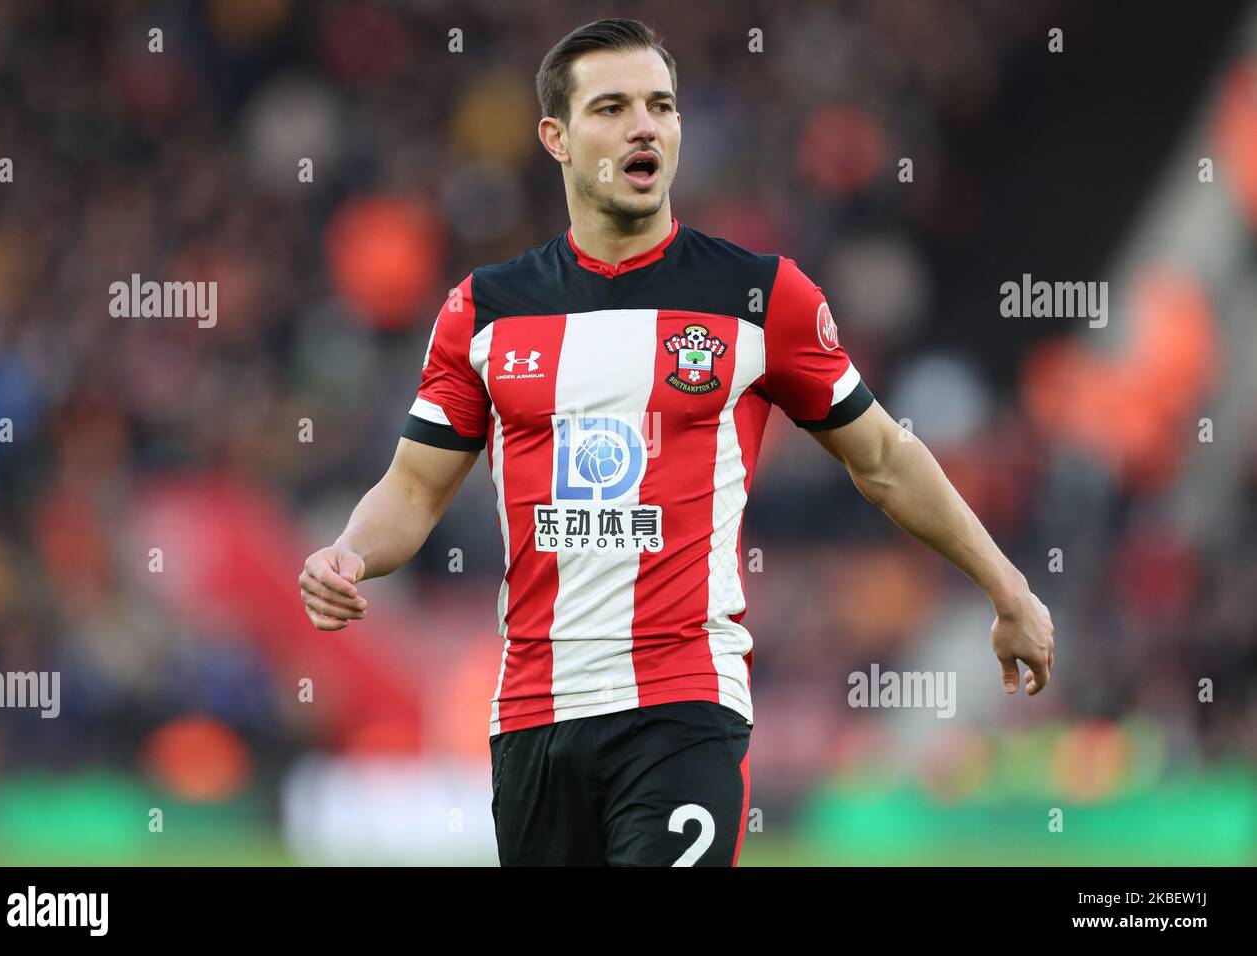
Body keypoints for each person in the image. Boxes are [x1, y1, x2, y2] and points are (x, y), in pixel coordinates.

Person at [298, 17, 1055, 866]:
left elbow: (883, 457)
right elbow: (412, 489)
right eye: (612, 107)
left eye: (660, 106)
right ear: (556, 136)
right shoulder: (485, 311)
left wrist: (1008, 588)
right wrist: (349, 555)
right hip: (535, 720)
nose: (643, 126)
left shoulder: (761, 298)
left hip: (682, 706)